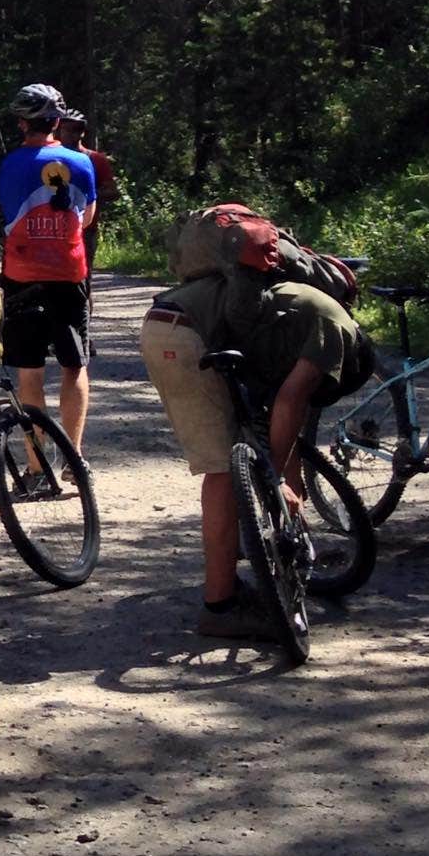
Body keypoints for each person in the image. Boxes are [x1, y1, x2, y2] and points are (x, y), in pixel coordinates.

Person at [139, 266, 371, 641]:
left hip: (173, 323)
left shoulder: (297, 302)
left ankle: (229, 578)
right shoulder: (336, 328)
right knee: (224, 471)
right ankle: (220, 609)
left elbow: (282, 416)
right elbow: (292, 399)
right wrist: (280, 481)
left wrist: (286, 477)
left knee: (239, 449)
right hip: (185, 336)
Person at [0, 83, 96, 461]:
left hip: (22, 279)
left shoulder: (4, 164)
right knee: (74, 365)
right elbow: (86, 219)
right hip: (70, 277)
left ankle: (37, 465)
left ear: (22, 123)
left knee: (30, 371)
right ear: (57, 122)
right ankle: (75, 458)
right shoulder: (82, 163)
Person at [57, 107, 116, 277]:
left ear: (83, 132)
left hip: (85, 228)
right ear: (59, 130)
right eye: (67, 129)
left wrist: (88, 195)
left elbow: (112, 191)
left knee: (82, 276)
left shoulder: (96, 159)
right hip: (52, 227)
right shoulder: (50, 158)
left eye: (77, 129)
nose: (72, 134)